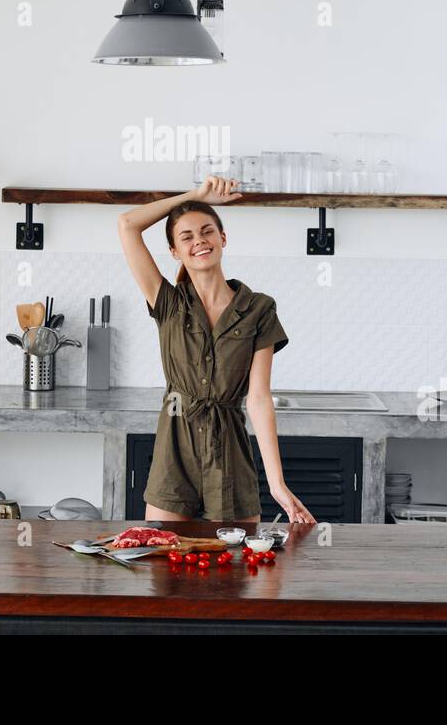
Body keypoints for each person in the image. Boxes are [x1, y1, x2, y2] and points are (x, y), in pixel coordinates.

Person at [117, 176, 316, 524]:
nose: (200, 241)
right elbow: (127, 225)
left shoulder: (258, 309)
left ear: (222, 238)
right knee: (164, 570)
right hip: (173, 455)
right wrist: (195, 195)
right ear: (174, 252)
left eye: (207, 231)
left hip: (230, 458)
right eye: (187, 236)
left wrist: (277, 484)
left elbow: (258, 399)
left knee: (233, 572)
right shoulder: (167, 302)